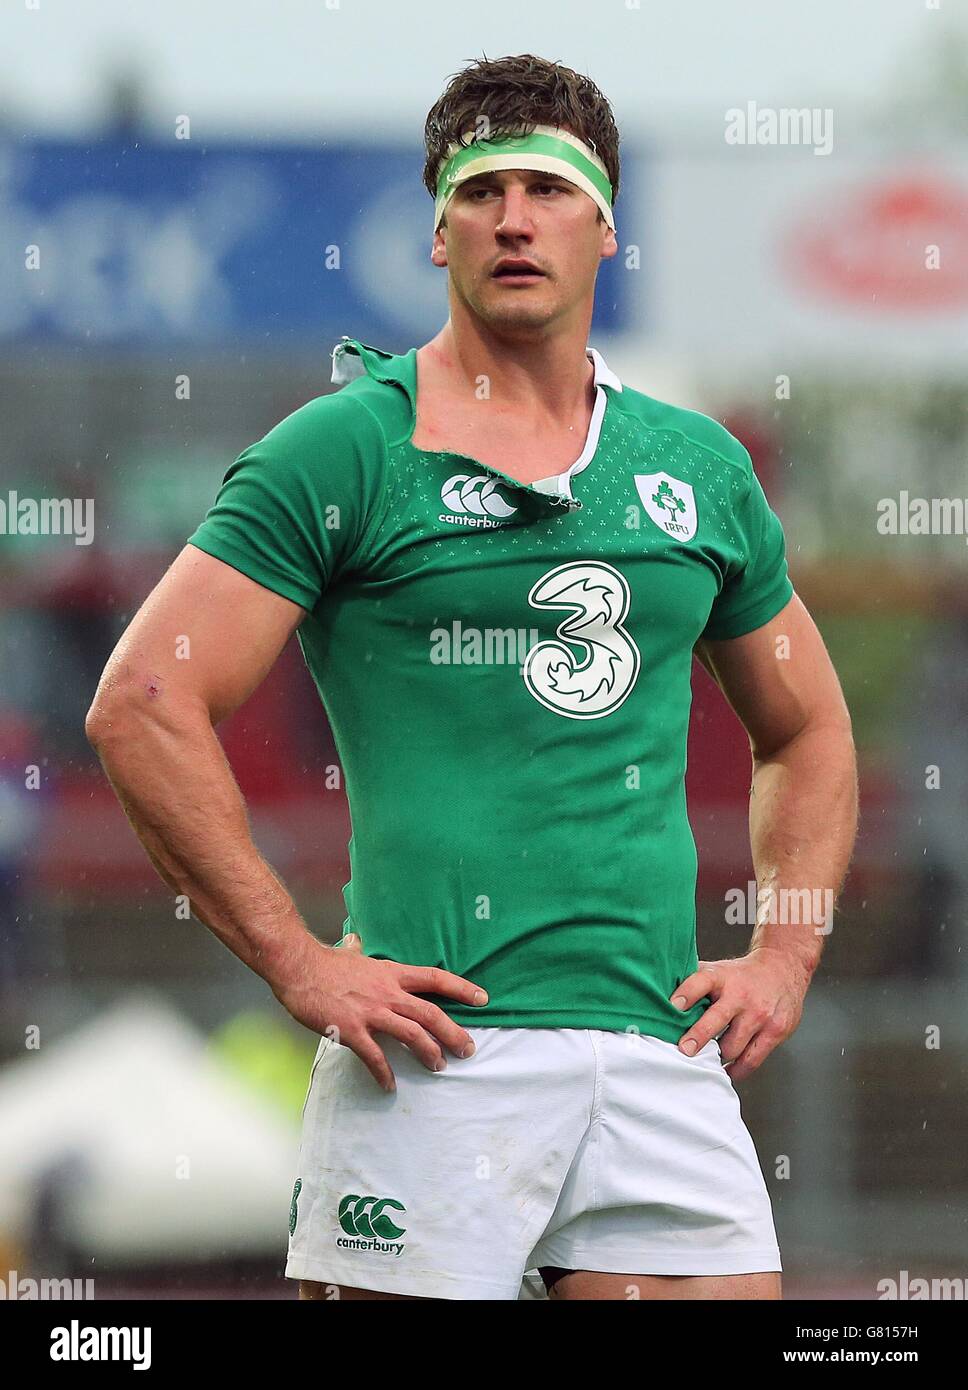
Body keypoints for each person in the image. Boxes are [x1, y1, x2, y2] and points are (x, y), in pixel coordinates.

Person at [86, 53, 858, 1301]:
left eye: (548, 190)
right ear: (435, 230)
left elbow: (809, 730)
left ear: (605, 225)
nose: (513, 218)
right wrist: (297, 961)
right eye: (481, 190)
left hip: (658, 1053)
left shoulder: (696, 467)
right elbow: (143, 702)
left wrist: (781, 956)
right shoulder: (348, 446)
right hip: (434, 1059)